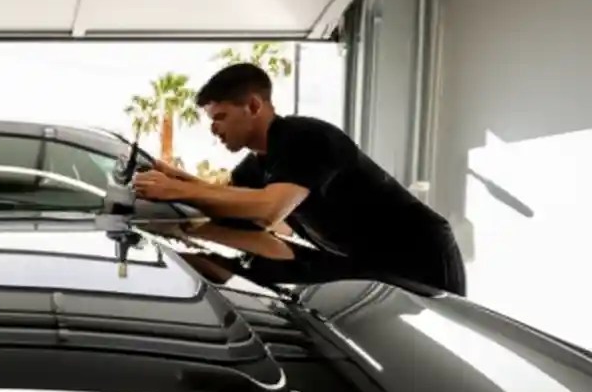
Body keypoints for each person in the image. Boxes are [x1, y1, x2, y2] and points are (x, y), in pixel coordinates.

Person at [131, 62, 466, 295]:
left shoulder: (305, 138)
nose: (214, 129)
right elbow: (227, 205)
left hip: (420, 254)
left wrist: (177, 188)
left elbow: (268, 210)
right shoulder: (254, 167)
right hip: (361, 260)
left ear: (253, 106)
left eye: (221, 116)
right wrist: (176, 179)